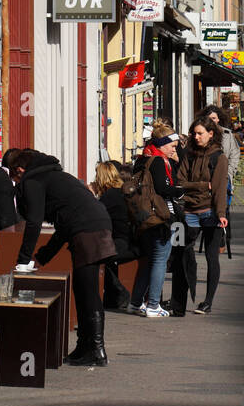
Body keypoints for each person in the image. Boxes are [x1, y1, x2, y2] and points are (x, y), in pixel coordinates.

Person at [12, 149, 116, 366]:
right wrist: (42, 256)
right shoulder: (55, 176)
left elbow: (34, 222)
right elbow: (63, 227)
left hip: (87, 231)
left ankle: (96, 350)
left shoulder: (33, 181)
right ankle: (84, 347)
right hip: (96, 225)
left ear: (20, 170)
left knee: (87, 291)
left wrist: (23, 260)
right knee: (82, 289)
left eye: (15, 177)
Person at [169, 118, 229, 316]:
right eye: (194, 133)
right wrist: (203, 185)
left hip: (210, 212)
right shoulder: (189, 154)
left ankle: (207, 302)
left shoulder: (219, 157)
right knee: (183, 254)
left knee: (212, 258)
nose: (196, 136)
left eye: (200, 133)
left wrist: (221, 214)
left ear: (211, 134)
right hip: (188, 210)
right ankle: (179, 303)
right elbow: (180, 181)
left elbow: (219, 188)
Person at [127, 122, 183, 318]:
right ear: (161, 144)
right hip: (160, 217)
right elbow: (163, 188)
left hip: (146, 217)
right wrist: (180, 191)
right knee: (160, 259)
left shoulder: (145, 158)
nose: (175, 150)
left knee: (150, 260)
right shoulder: (159, 162)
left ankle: (135, 303)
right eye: (173, 146)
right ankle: (153, 305)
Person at [93, 160, 137, 312]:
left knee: (100, 256)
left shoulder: (109, 195)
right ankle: (114, 297)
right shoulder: (120, 190)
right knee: (106, 255)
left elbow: (95, 219)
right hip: (132, 240)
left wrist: (92, 196)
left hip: (125, 242)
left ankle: (120, 292)